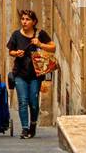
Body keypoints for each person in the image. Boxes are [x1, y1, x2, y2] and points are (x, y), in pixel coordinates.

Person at [7, 8, 56, 138]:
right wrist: (16, 53)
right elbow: (10, 51)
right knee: (23, 101)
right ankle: (24, 128)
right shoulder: (16, 35)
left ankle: (33, 124)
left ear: (34, 22)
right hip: (19, 74)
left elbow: (53, 47)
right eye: (22, 19)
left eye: (27, 19)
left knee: (33, 102)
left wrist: (40, 44)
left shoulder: (40, 34)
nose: (24, 22)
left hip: (36, 74)